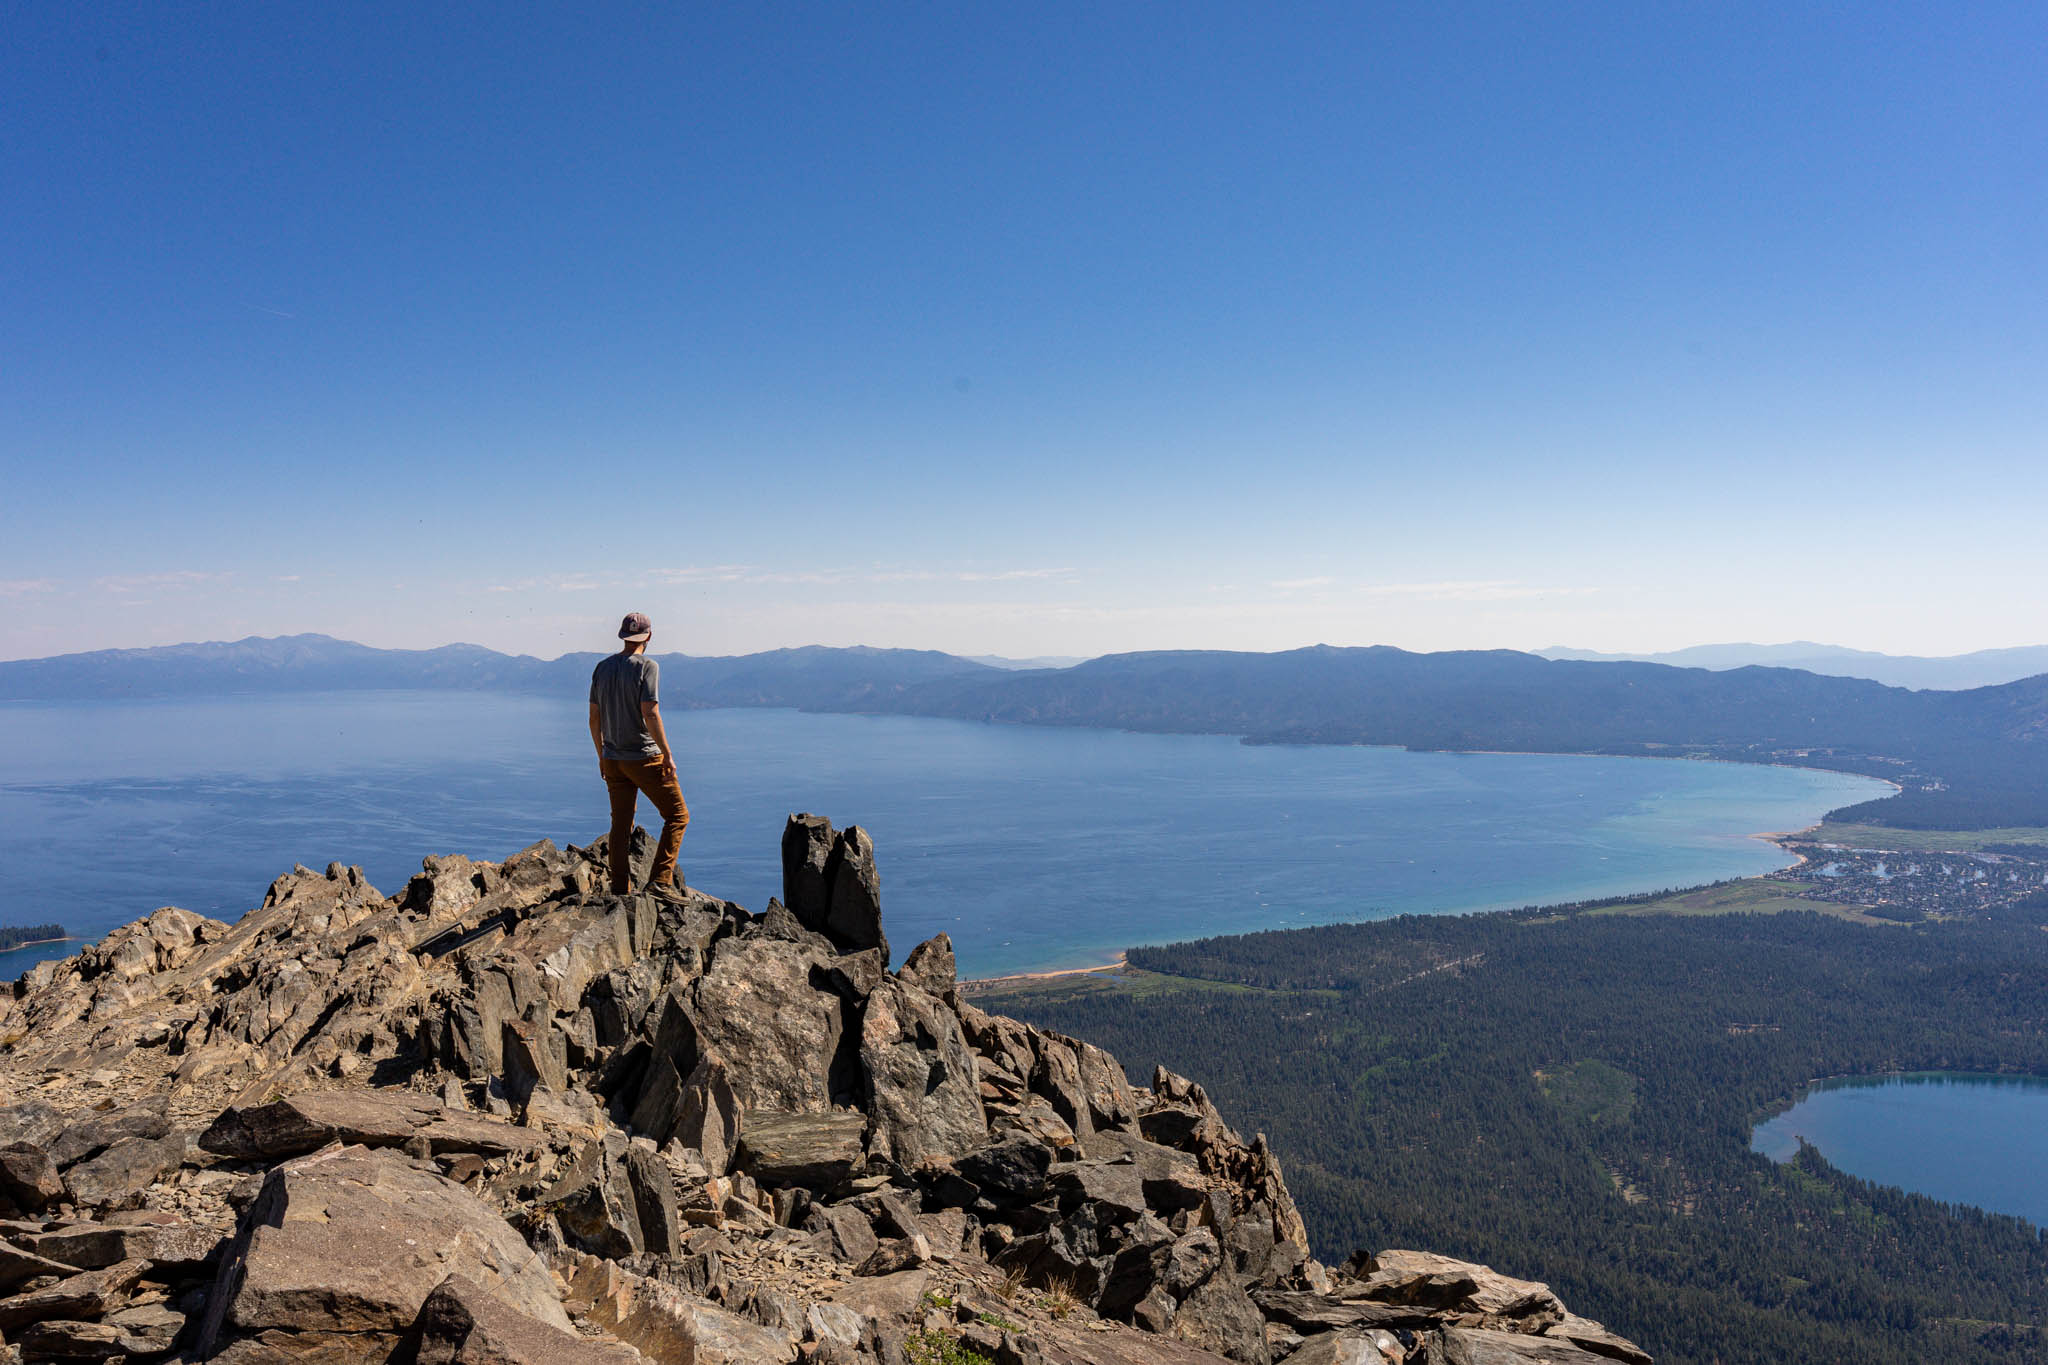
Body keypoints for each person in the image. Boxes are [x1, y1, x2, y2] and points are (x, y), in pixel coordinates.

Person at [589, 611, 689, 896]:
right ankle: (661, 882)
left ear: (622, 636)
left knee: (621, 824)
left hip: (613, 759)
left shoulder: (602, 668)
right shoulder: (648, 667)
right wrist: (667, 754)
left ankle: (620, 889)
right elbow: (650, 713)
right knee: (677, 816)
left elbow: (594, 718)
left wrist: (601, 756)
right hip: (644, 757)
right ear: (649, 636)